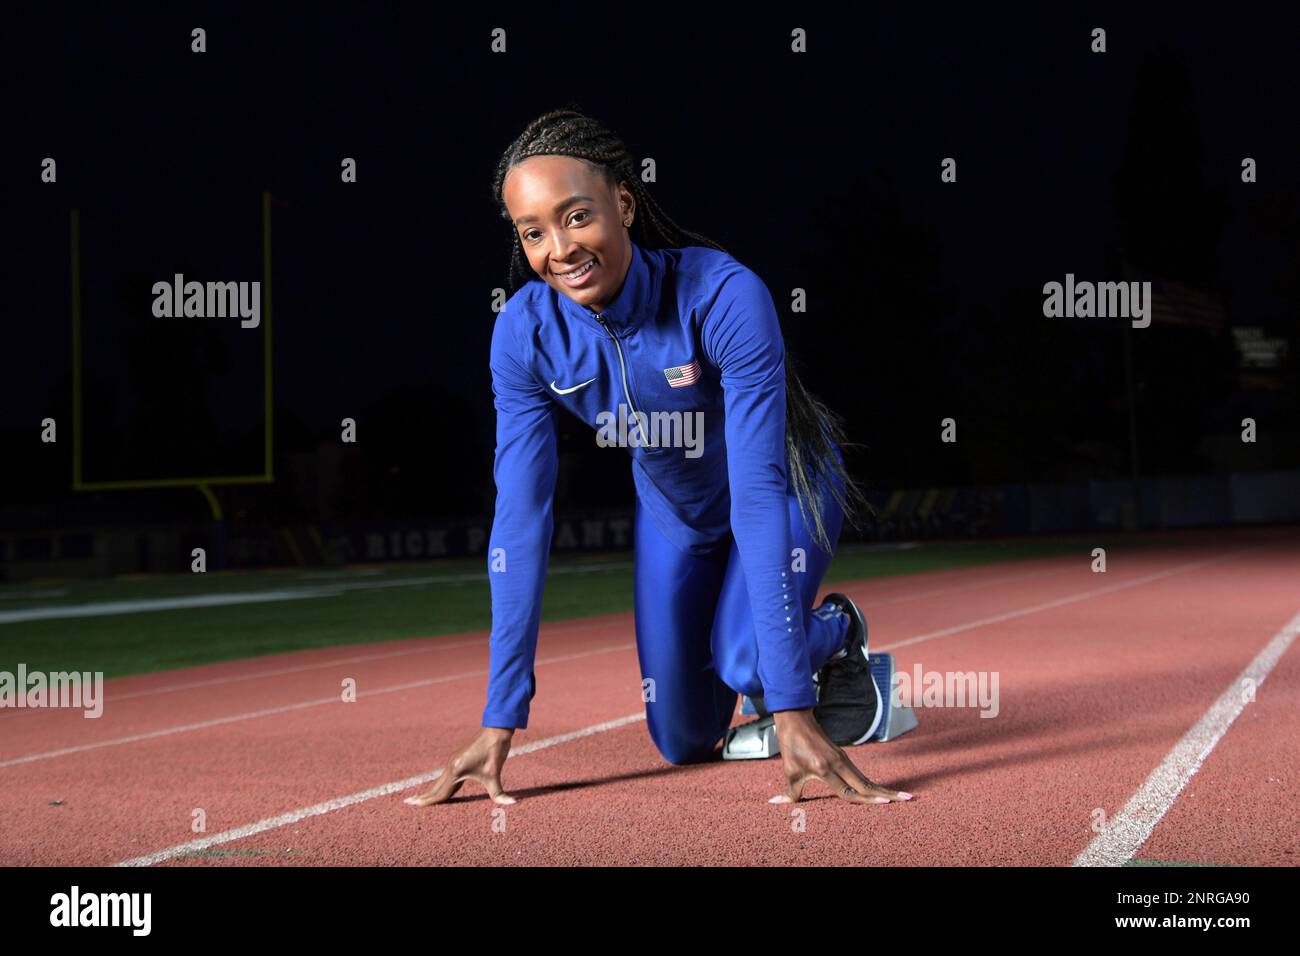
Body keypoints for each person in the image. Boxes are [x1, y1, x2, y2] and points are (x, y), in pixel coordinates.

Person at [406, 109, 913, 808]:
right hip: (676, 512)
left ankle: (839, 634)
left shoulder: (724, 294)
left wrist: (792, 707)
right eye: (533, 232)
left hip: (784, 482)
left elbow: (759, 490)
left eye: (577, 216)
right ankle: (776, 655)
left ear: (623, 202)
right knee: (682, 740)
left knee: (753, 660)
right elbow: (520, 519)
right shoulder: (525, 334)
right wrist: (501, 717)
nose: (560, 249)